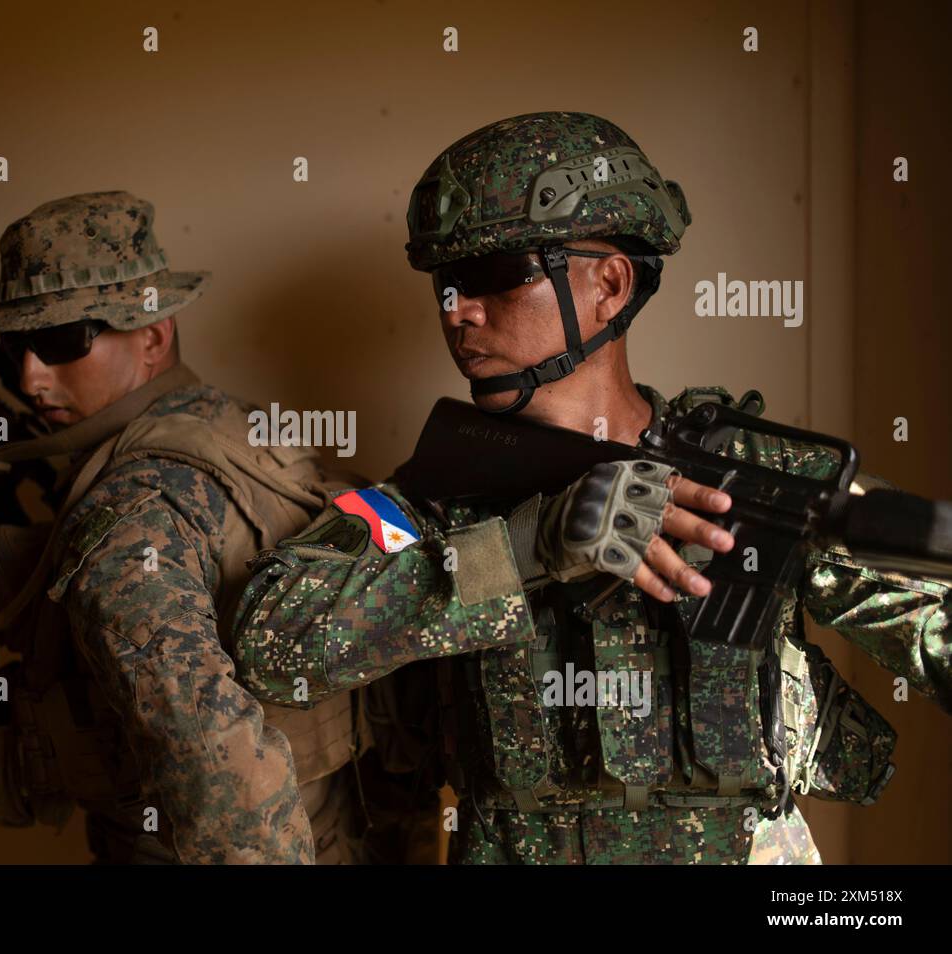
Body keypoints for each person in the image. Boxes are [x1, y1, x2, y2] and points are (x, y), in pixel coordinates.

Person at [231, 112, 952, 864]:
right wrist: (524, 547)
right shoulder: (437, 495)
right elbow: (267, 642)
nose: (457, 311)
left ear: (609, 284)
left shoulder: (750, 478)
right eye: (447, 284)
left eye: (497, 274)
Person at [0, 191, 366, 863]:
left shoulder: (130, 511)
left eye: (61, 341)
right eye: (15, 344)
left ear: (152, 335)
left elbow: (220, 776)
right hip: (335, 830)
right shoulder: (236, 425)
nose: (30, 376)